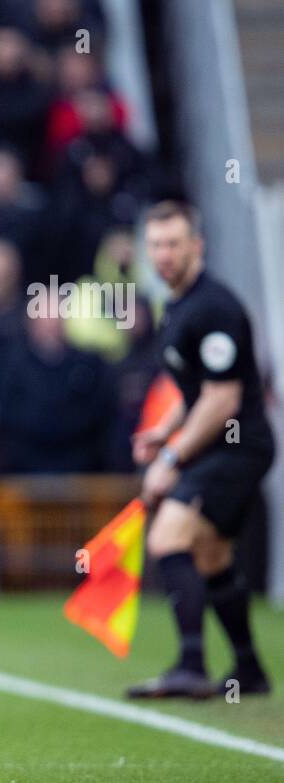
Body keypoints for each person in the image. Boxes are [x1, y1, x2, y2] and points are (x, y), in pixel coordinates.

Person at [128, 201, 276, 699]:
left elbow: (223, 399)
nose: (163, 255)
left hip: (238, 447)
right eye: (155, 246)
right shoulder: (177, 304)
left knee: (169, 538)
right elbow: (195, 392)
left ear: (197, 246)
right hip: (216, 444)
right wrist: (165, 431)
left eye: (173, 243)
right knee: (210, 555)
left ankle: (191, 666)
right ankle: (249, 669)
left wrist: (170, 459)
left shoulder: (213, 307)